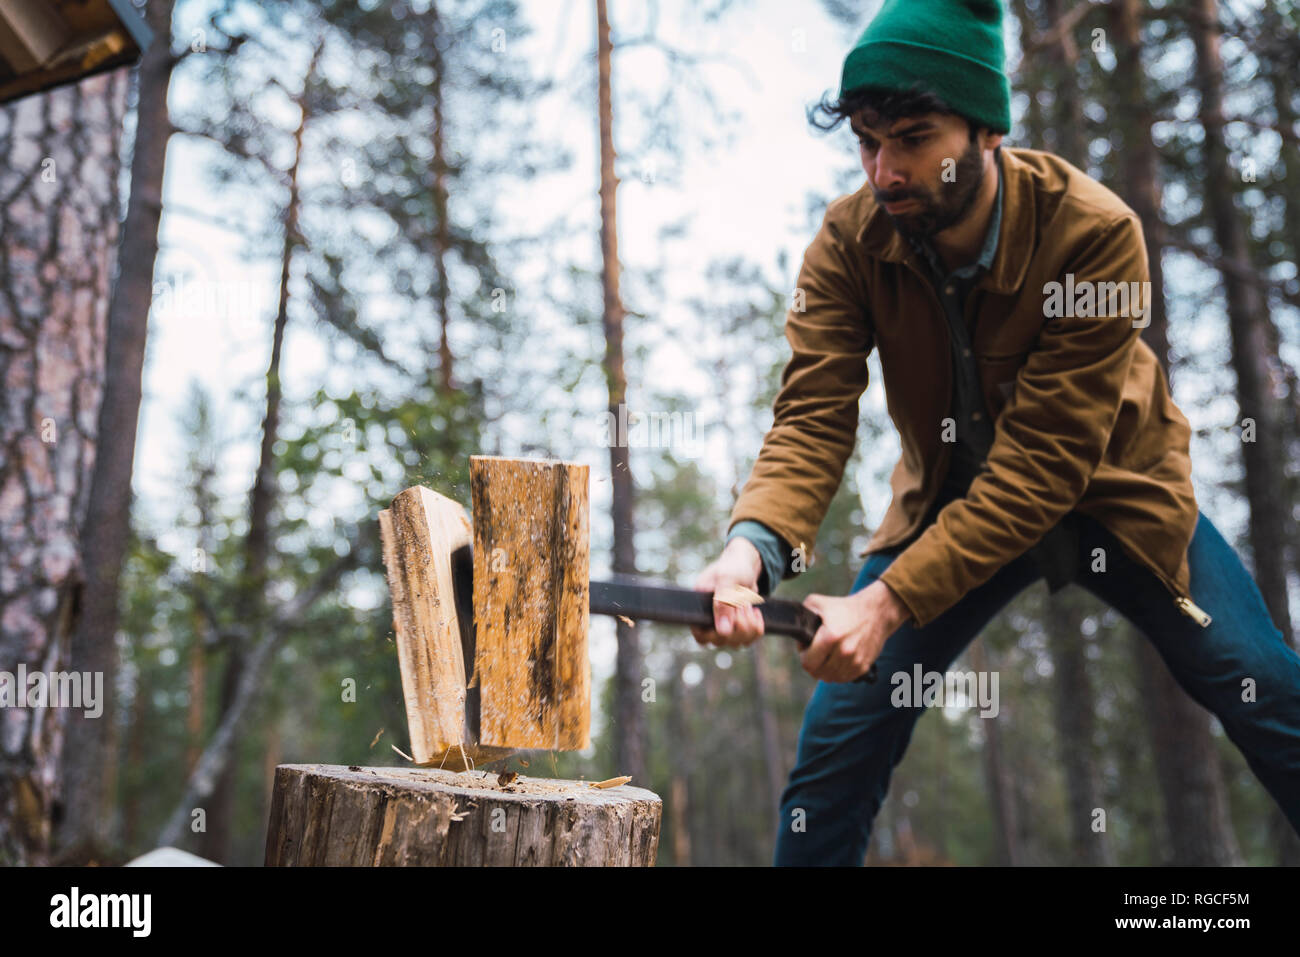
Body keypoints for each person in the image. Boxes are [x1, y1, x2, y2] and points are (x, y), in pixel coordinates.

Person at [691, 0, 1300, 866]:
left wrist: (886, 601)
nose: (885, 171)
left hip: (1114, 497)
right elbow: (812, 417)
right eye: (867, 141)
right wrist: (750, 550)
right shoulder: (847, 244)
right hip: (945, 510)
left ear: (986, 133)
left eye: (912, 137)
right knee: (837, 746)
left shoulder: (1097, 236)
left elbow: (1043, 470)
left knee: (1262, 684)